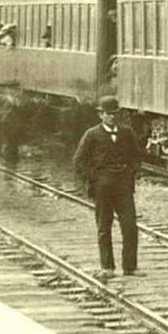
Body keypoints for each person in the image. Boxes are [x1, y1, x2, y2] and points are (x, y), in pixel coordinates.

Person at [73, 96, 142, 277]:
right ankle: (107, 267)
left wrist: (130, 171)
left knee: (130, 227)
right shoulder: (92, 134)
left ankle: (130, 267)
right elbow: (79, 161)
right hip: (102, 188)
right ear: (100, 115)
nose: (112, 117)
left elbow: (136, 156)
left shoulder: (126, 133)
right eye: (108, 114)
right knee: (104, 227)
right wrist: (95, 177)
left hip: (124, 187)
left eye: (115, 114)